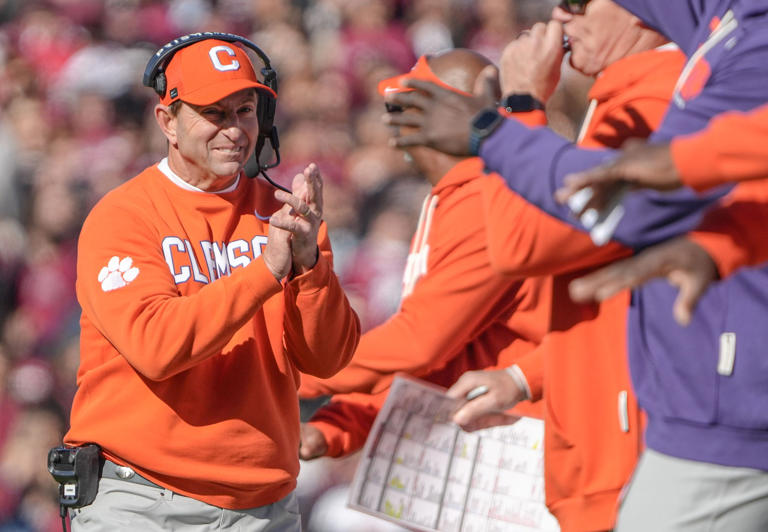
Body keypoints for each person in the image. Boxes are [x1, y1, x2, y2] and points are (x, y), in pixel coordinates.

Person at [384, 0, 768, 530]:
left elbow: (520, 247)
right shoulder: (631, 91)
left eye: (577, 2)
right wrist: (523, 377)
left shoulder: (655, 98)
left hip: (659, 436)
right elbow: (607, 298)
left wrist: (518, 106)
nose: (559, 17)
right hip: (611, 432)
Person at [60, 33, 361, 531]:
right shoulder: (123, 216)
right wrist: (266, 271)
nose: (235, 130)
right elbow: (157, 346)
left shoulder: (287, 214)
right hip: (141, 498)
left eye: (245, 110)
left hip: (263, 504)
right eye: (214, 113)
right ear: (168, 122)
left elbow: (327, 359)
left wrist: (310, 268)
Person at [298, 49, 547, 458]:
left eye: (404, 105)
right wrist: (342, 424)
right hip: (493, 439)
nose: (391, 120)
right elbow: (445, 354)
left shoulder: (486, 196)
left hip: (530, 445)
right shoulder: (458, 194)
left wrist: (289, 373)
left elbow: (420, 343)